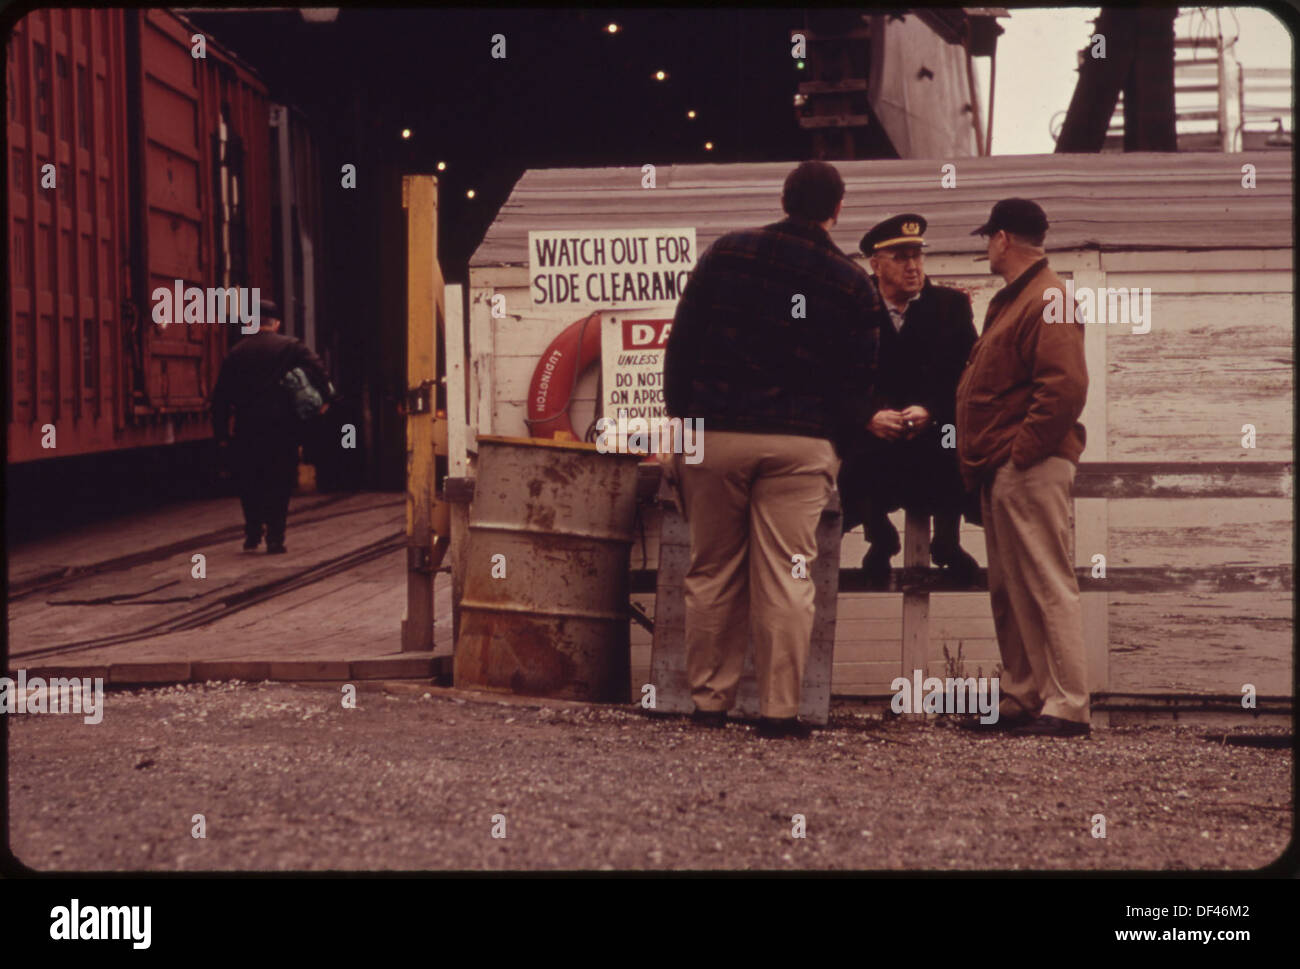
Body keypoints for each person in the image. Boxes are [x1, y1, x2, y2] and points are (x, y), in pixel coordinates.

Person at [663, 160, 880, 739]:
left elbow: (680, 347)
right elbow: (861, 382)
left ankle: (709, 703)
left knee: (711, 570)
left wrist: (684, 423)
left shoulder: (727, 254)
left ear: (785, 199)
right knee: (789, 573)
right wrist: (834, 446)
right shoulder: (853, 282)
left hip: (717, 435)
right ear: (837, 210)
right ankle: (780, 712)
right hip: (801, 443)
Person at [955, 199, 1091, 738]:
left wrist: (1021, 452)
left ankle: (1067, 704)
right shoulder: (1024, 297)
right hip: (1007, 464)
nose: (986, 246)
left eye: (988, 237)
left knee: (1043, 580)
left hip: (1025, 463)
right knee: (1011, 587)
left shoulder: (1048, 296)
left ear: (1003, 239)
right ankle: (1023, 695)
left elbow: (1065, 388)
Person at [837, 213, 980, 587]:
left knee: (955, 438)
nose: (914, 266)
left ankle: (947, 541)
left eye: (917, 256)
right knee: (852, 453)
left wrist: (931, 411)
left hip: (932, 434)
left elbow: (968, 375)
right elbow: (835, 378)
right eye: (901, 258)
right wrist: (869, 415)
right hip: (875, 438)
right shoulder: (850, 309)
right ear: (875, 264)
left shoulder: (951, 306)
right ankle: (879, 537)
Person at [211, 298, 336, 554]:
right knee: (279, 482)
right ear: (276, 323)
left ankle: (253, 532)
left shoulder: (237, 352)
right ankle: (276, 538)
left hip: (247, 428)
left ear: (251, 323)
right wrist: (326, 400)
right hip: (283, 429)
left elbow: (221, 397)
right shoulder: (291, 347)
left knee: (250, 481)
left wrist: (222, 434)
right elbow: (319, 370)